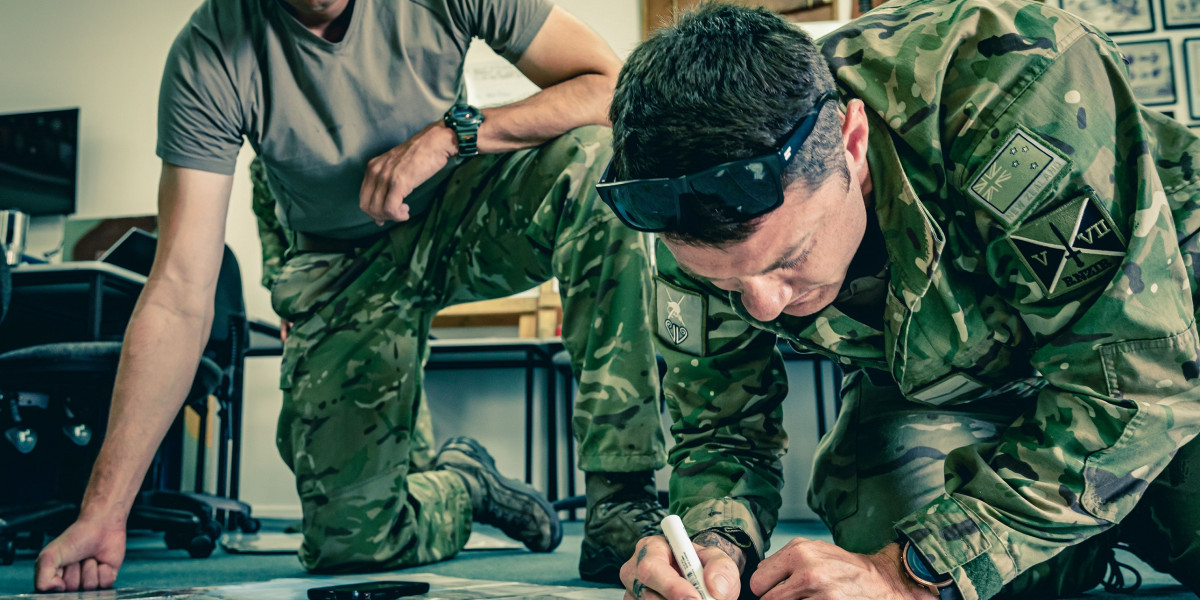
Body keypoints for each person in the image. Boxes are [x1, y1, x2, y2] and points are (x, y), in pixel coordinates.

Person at [33, 0, 669, 592]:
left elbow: (612, 85)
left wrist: (452, 134)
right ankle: (463, 483)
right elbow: (178, 291)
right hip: (338, 264)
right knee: (350, 544)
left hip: (461, 207)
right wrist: (103, 513)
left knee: (601, 164)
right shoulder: (210, 54)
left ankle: (622, 497)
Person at [604, 2, 1200, 599]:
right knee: (874, 537)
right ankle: (1075, 533)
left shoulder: (1011, 83)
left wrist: (910, 572)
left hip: (1166, 343)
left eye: (790, 260)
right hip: (955, 375)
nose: (762, 306)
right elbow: (721, 431)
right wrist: (712, 547)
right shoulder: (684, 215)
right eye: (729, 286)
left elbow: (1141, 378)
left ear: (852, 143)